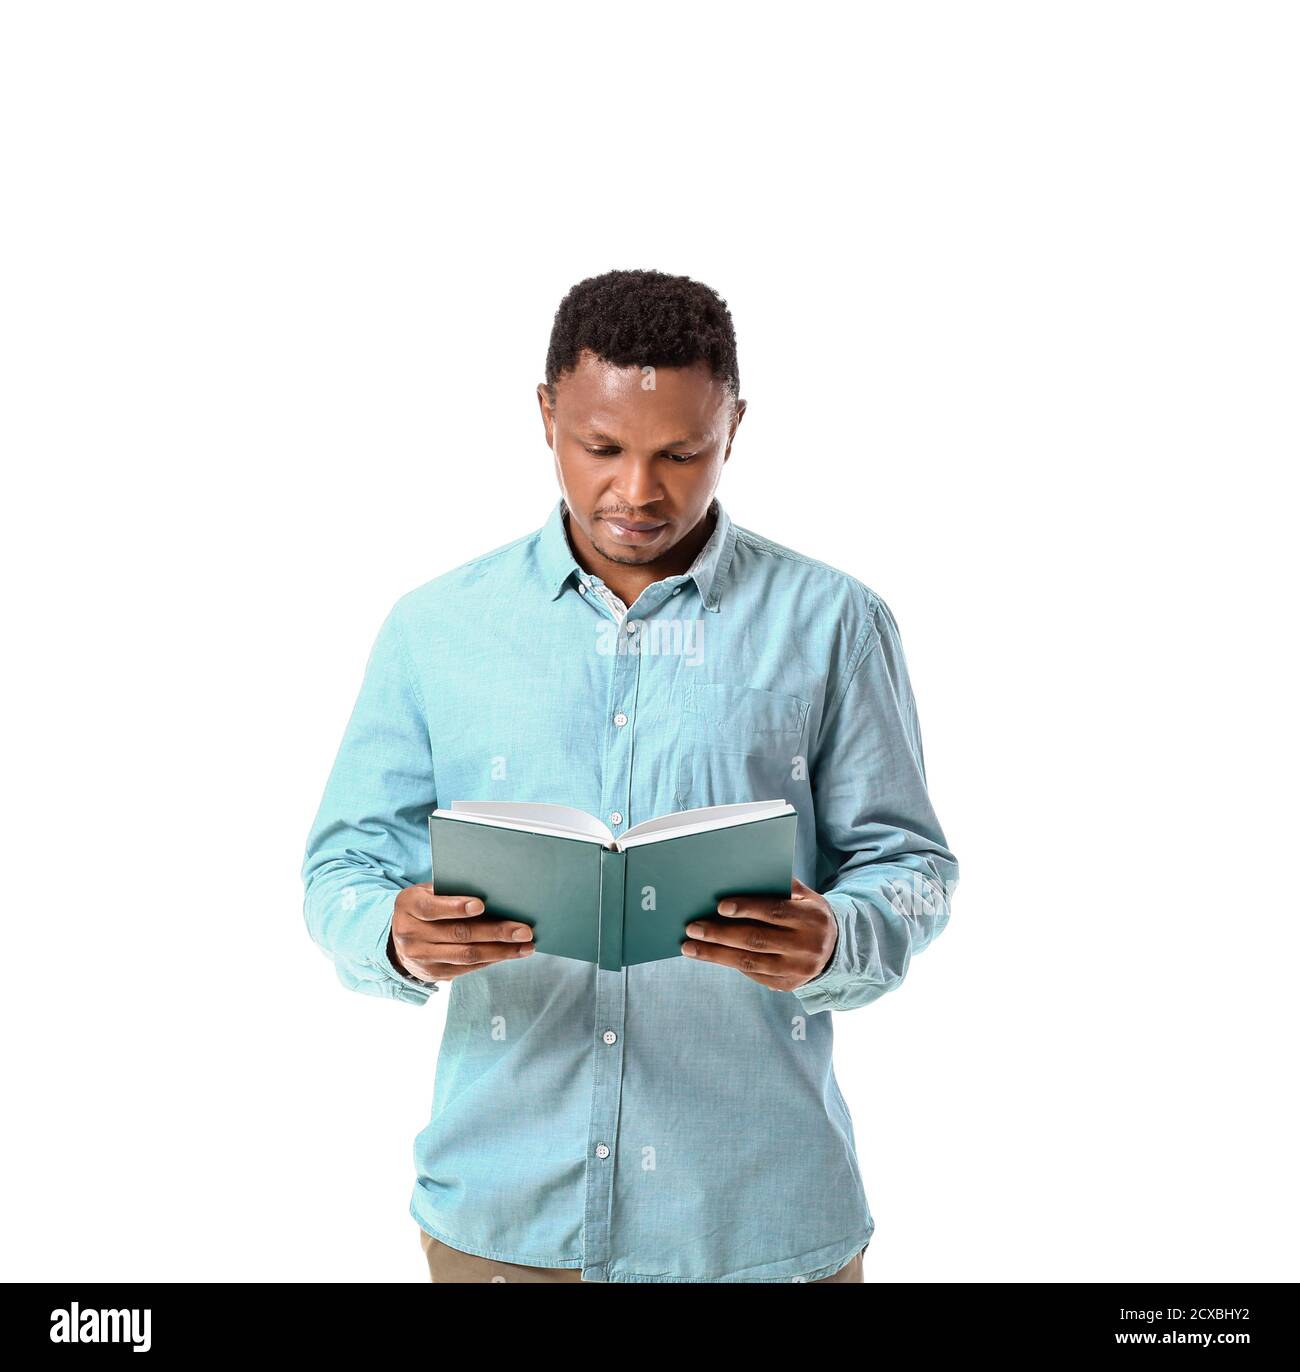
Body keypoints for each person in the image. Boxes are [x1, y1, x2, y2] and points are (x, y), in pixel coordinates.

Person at [302, 268, 959, 1283]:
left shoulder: (835, 624)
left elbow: (912, 864)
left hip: (760, 1227)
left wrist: (839, 934)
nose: (638, 491)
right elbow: (341, 863)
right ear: (545, 415)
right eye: (600, 447)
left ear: (733, 425)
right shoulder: (434, 629)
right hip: (502, 1218)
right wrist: (391, 928)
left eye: (681, 452)